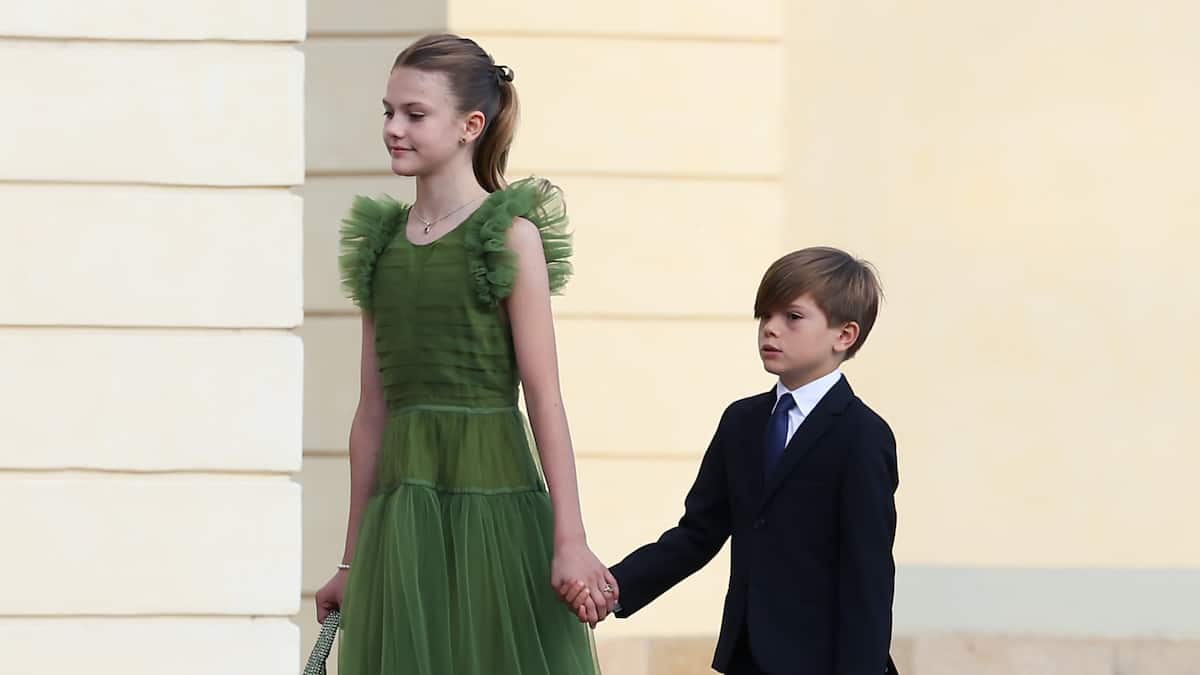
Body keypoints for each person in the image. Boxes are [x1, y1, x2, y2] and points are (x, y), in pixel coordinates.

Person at [314, 33, 614, 675]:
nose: (393, 128)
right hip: (403, 515)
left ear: (470, 126)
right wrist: (350, 559)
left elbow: (545, 399)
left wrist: (570, 539)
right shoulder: (382, 246)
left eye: (415, 114)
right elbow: (371, 414)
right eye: (388, 111)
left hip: (494, 501)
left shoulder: (508, 238)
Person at [562, 247, 900, 675]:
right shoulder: (741, 422)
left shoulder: (863, 436)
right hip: (746, 657)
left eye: (793, 317)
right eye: (765, 315)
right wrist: (613, 589)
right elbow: (696, 535)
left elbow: (868, 578)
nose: (770, 329)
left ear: (844, 335)